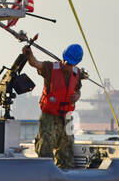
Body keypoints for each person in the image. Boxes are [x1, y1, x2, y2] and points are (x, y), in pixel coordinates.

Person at [24, 42, 84, 170]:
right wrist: (29, 54)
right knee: (46, 142)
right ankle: (45, 169)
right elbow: (35, 63)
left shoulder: (77, 73)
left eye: (71, 63)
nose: (68, 65)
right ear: (63, 57)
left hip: (67, 116)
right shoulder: (50, 68)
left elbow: (77, 89)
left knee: (66, 144)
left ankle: (66, 170)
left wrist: (77, 96)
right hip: (49, 114)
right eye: (66, 61)